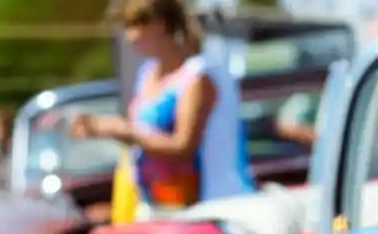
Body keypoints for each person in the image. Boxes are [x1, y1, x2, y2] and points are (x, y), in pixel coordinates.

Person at [73, 0, 253, 221]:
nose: (130, 37)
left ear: (159, 25)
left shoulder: (195, 78)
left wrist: (125, 132)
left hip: (191, 207)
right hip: (150, 201)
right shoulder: (147, 74)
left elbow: (182, 147)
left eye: (135, 26)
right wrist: (100, 127)